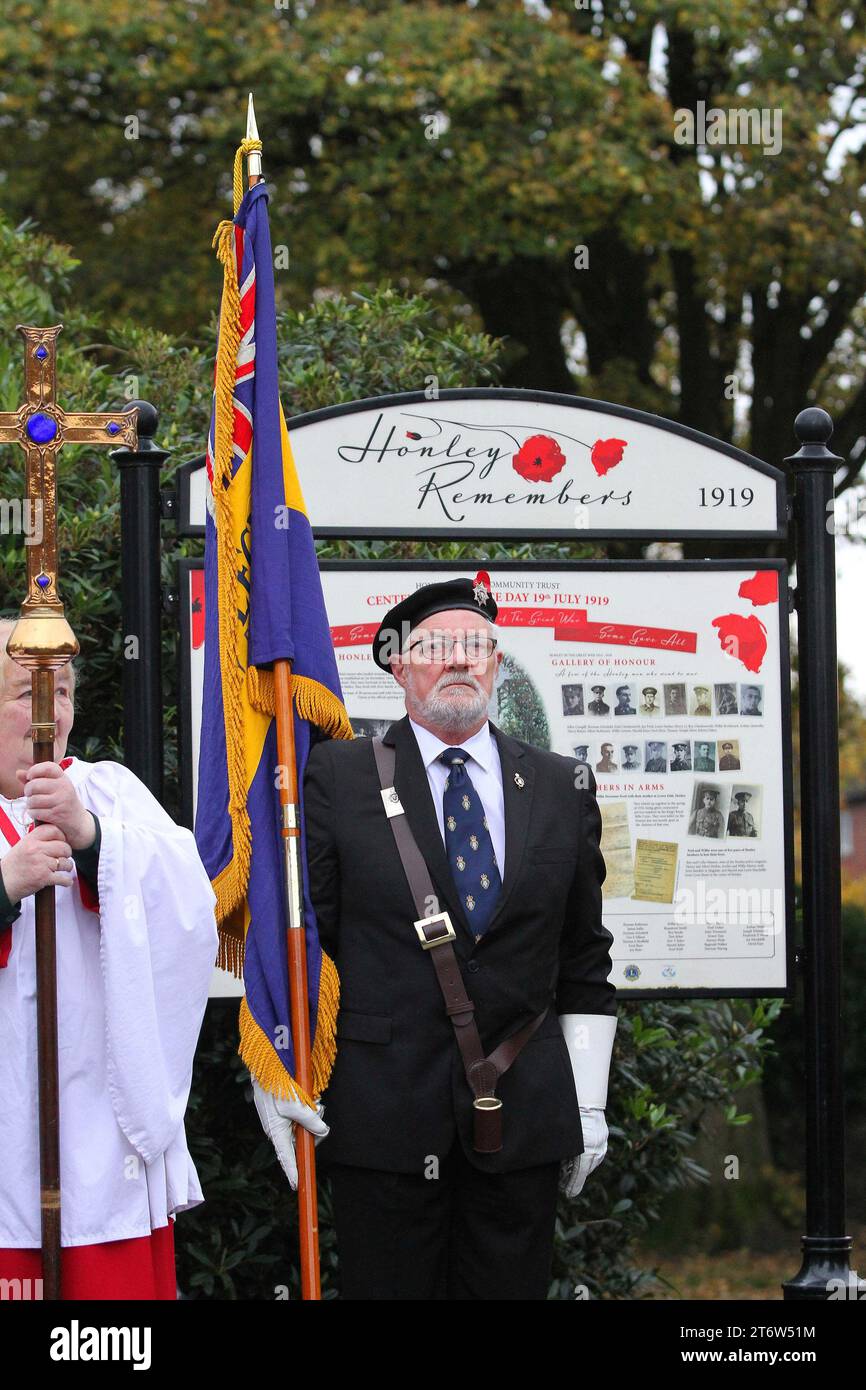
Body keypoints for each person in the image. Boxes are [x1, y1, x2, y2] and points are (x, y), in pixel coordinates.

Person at [259, 576, 618, 1301]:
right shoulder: (334, 777)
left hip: (525, 1115)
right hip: (383, 1114)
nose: (459, 660)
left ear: (496, 663)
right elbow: (304, 937)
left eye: (476, 646)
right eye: (436, 647)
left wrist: (589, 1101)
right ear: (398, 664)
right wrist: (280, 1064)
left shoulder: (560, 784)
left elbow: (584, 957)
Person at [0, 619, 218, 1299]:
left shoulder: (110, 792)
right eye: (27, 693)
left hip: (101, 1123)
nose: (52, 712)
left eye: (63, 692)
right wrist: (7, 886)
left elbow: (189, 909)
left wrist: (94, 839)